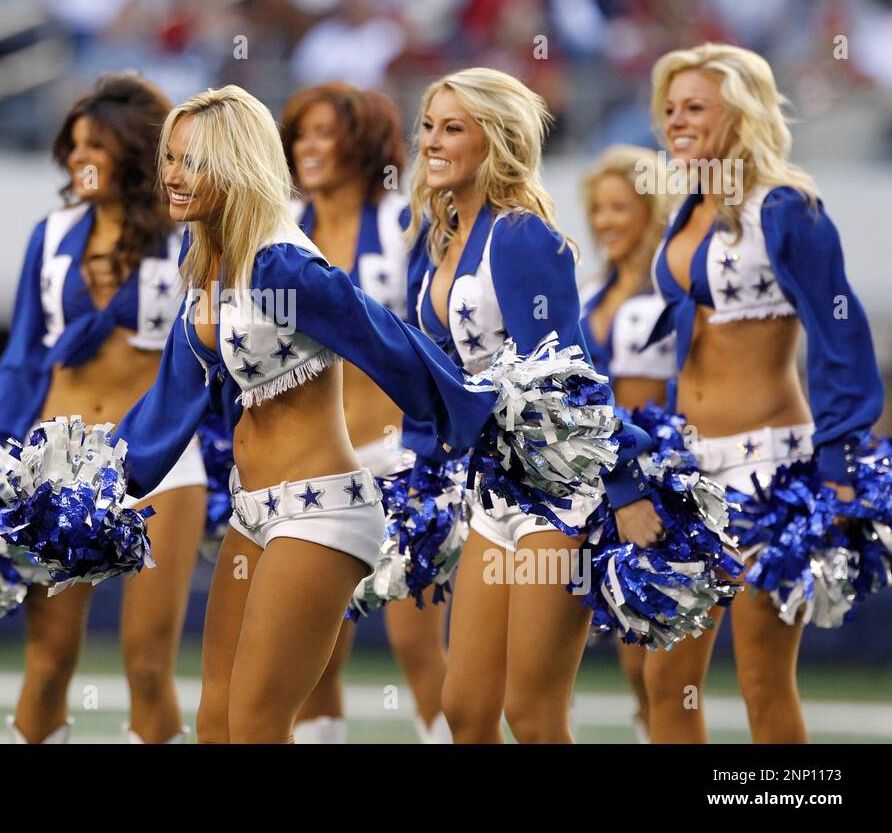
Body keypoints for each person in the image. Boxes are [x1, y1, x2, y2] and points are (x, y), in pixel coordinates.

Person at [111, 84, 511, 743]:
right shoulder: (208, 263)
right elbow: (170, 402)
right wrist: (87, 491)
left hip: (321, 509)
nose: (173, 177)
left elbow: (387, 338)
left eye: (192, 161)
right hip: (251, 510)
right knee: (217, 718)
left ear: (236, 165)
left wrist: (476, 418)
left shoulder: (281, 264)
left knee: (259, 722)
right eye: (171, 159)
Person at [399, 67, 659, 743]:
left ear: (497, 141)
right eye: (428, 125)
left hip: (558, 494)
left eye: (453, 128)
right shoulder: (439, 243)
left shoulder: (518, 236)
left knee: (534, 715)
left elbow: (571, 372)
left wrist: (627, 486)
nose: (431, 141)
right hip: (491, 495)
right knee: (465, 706)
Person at [640, 43, 883, 743]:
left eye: (696, 108)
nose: (677, 122)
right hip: (687, 472)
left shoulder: (785, 209)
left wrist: (838, 469)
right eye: (671, 109)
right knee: (667, 680)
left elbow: (841, 338)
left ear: (740, 115)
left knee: (761, 677)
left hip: (768, 469)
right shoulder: (685, 209)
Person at [0, 74, 207, 745]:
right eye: (73, 143)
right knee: (48, 663)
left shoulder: (188, 237)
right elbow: (23, 357)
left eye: (96, 145)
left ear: (134, 153)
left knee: (147, 664)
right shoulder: (49, 237)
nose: (80, 158)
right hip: (57, 463)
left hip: (159, 463)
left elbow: (211, 357)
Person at [281, 82, 450, 744]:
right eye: (300, 133)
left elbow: (438, 332)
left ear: (364, 142)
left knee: (415, 640)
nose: (309, 146)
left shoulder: (407, 220)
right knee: (314, 653)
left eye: (325, 132)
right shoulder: (281, 224)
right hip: (317, 460)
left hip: (399, 453)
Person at [578, 144, 678, 741]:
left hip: (662, 479)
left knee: (662, 667)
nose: (605, 221)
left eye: (620, 208)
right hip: (601, 478)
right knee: (632, 659)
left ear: (652, 210)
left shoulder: (677, 290)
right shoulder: (589, 290)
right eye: (598, 209)